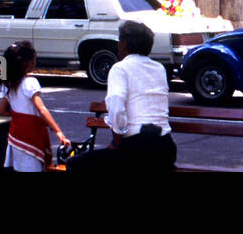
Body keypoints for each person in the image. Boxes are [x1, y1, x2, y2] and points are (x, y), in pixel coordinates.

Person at [68, 22, 174, 173]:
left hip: (138, 150)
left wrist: (117, 143)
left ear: (124, 44)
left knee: (75, 164)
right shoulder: (159, 68)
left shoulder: (120, 68)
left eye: (119, 41)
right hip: (165, 149)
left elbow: (116, 108)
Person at [0, 40, 68, 171]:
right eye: (34, 59)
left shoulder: (8, 85)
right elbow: (41, 109)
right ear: (27, 63)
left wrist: (19, 116)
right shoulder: (30, 82)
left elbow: (2, 111)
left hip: (16, 136)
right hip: (32, 136)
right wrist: (58, 131)